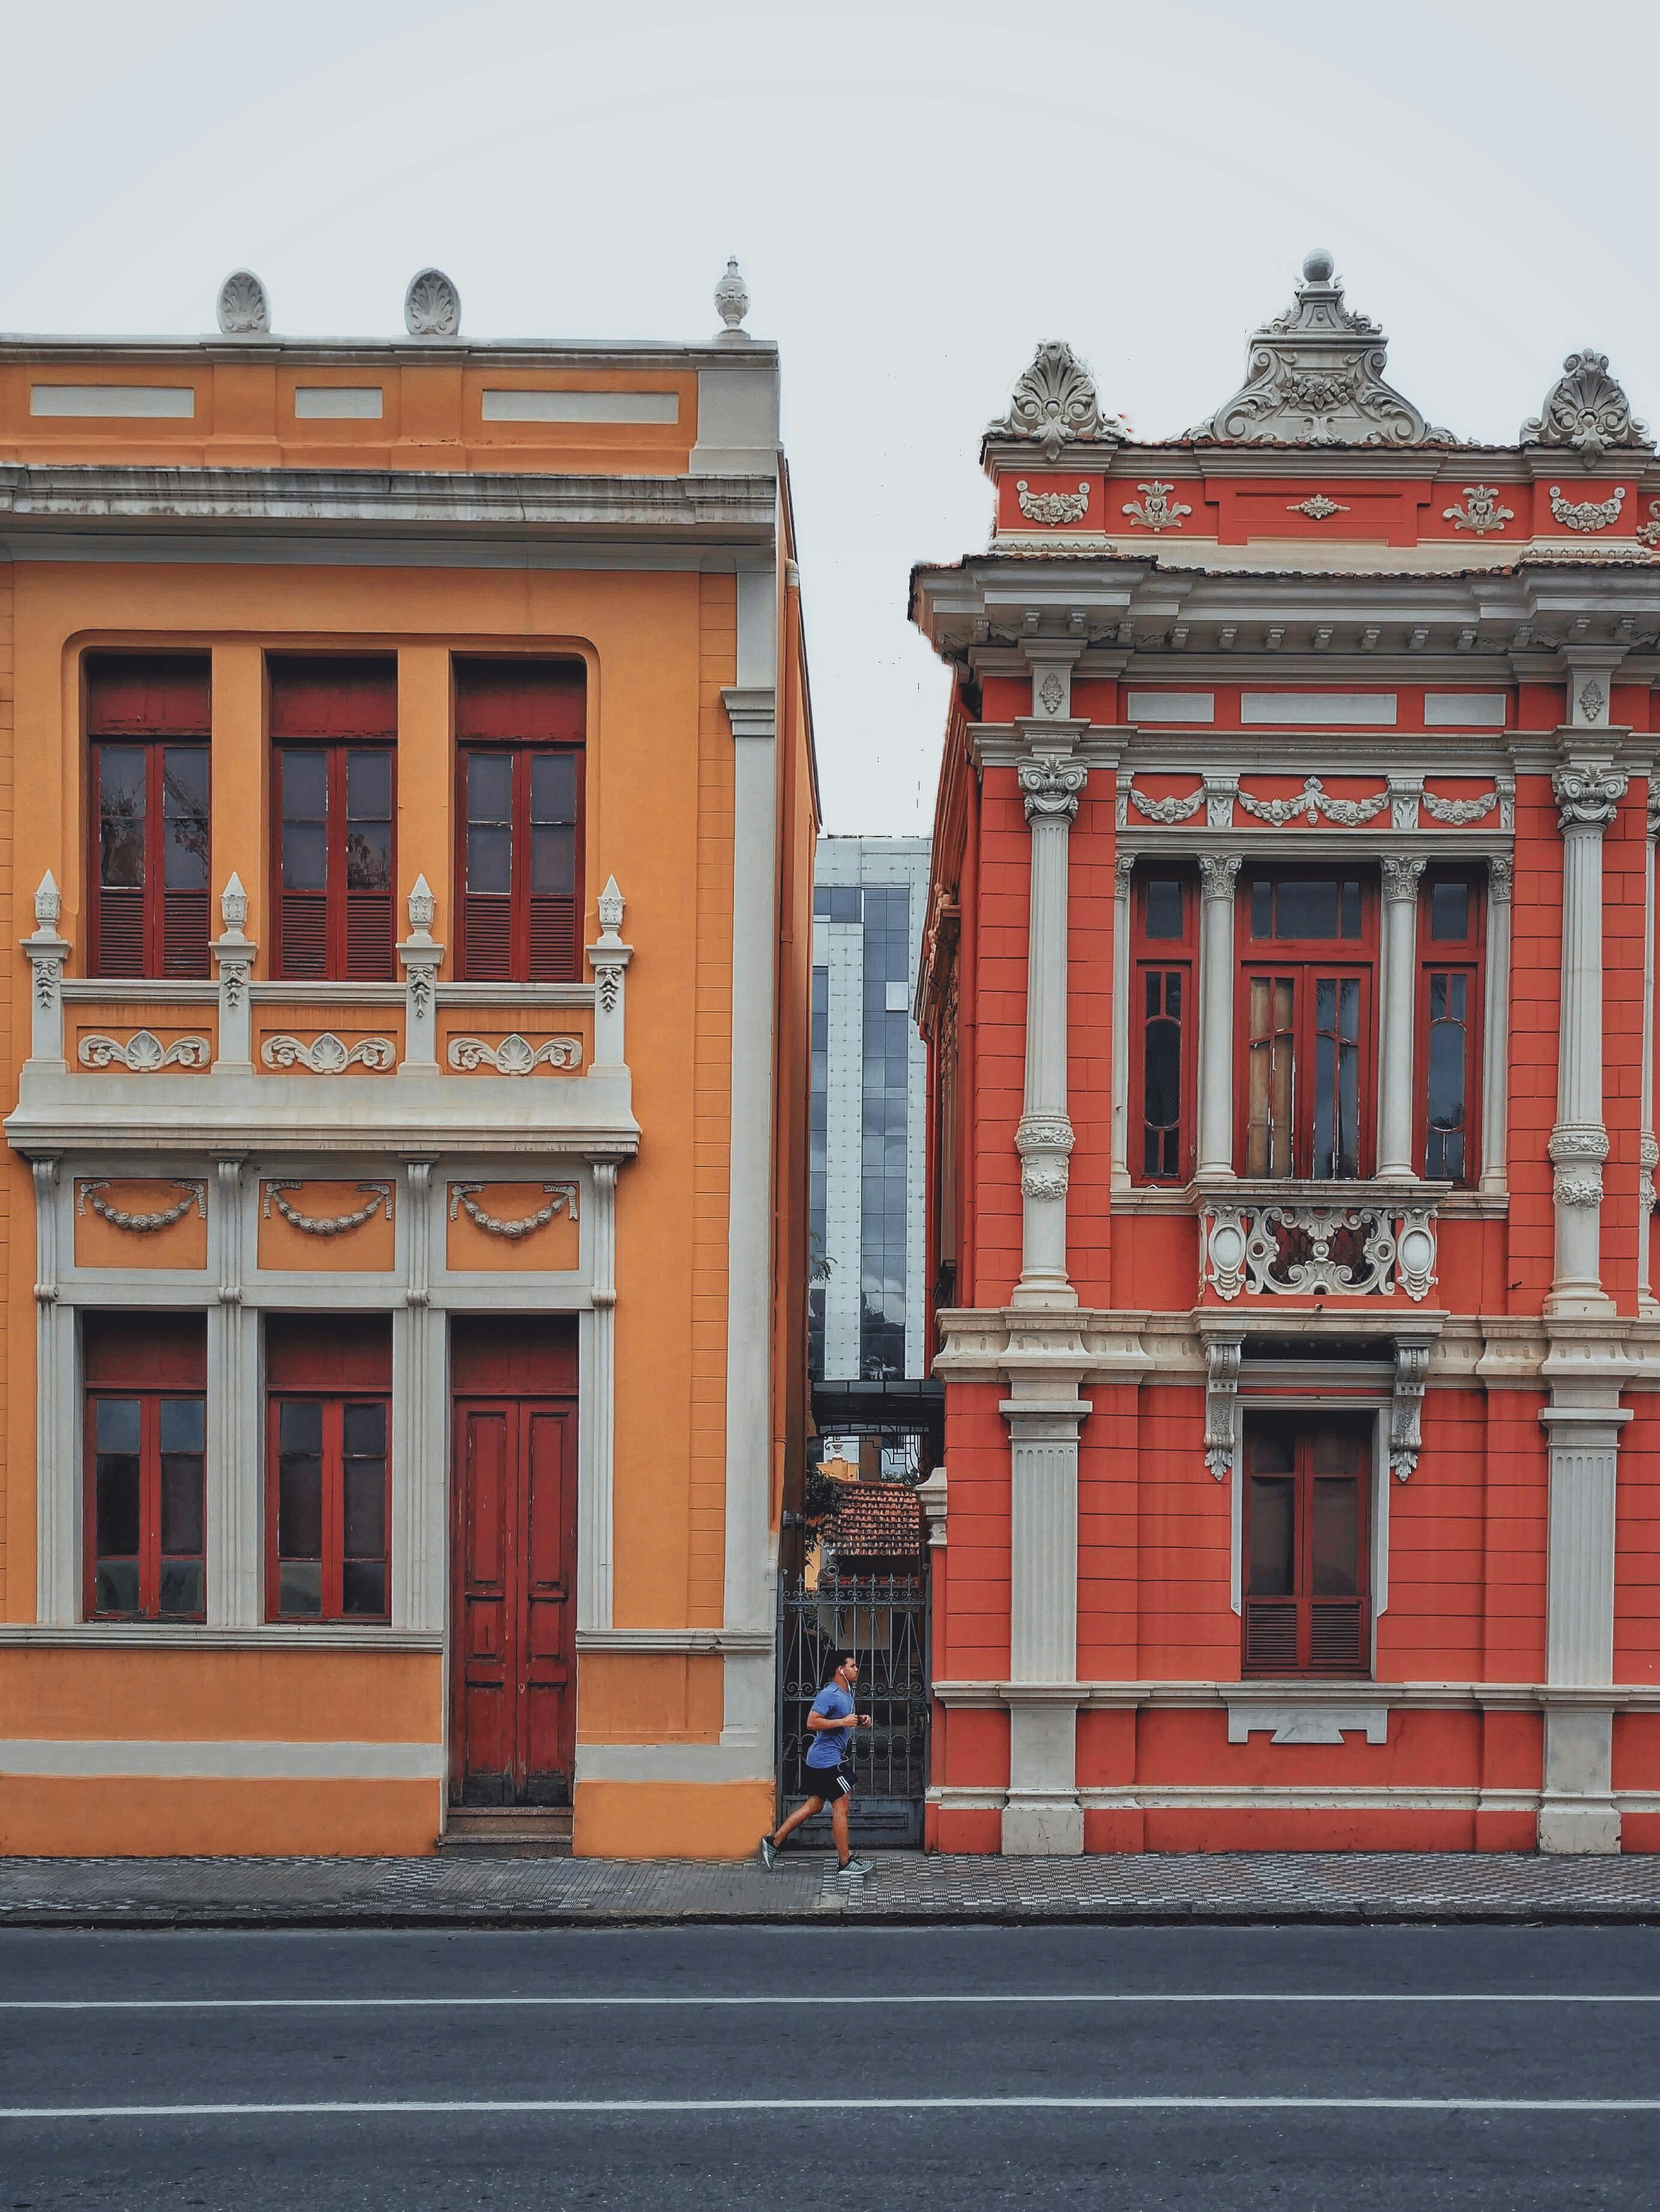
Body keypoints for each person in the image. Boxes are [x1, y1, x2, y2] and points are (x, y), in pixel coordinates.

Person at [759, 1650, 873, 1876]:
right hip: (826, 1760)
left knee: (815, 1805)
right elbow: (812, 1722)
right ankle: (845, 1862)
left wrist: (860, 1720)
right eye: (852, 1666)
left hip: (824, 1759)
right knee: (842, 1806)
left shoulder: (847, 1693)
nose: (856, 1669)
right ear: (840, 1670)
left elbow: (841, 1720)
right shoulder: (830, 1693)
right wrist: (843, 1721)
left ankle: (773, 1842)